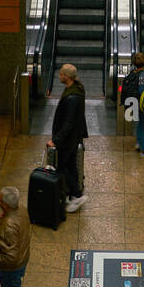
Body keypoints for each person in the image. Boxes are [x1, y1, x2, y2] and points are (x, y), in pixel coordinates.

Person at [51, 62, 88, 212]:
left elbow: (68, 122)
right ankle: (73, 194)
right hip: (74, 136)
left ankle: (75, 195)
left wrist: (55, 140)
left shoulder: (72, 97)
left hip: (68, 139)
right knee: (70, 165)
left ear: (66, 76)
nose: (59, 76)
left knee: (63, 166)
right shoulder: (77, 88)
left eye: (60, 74)